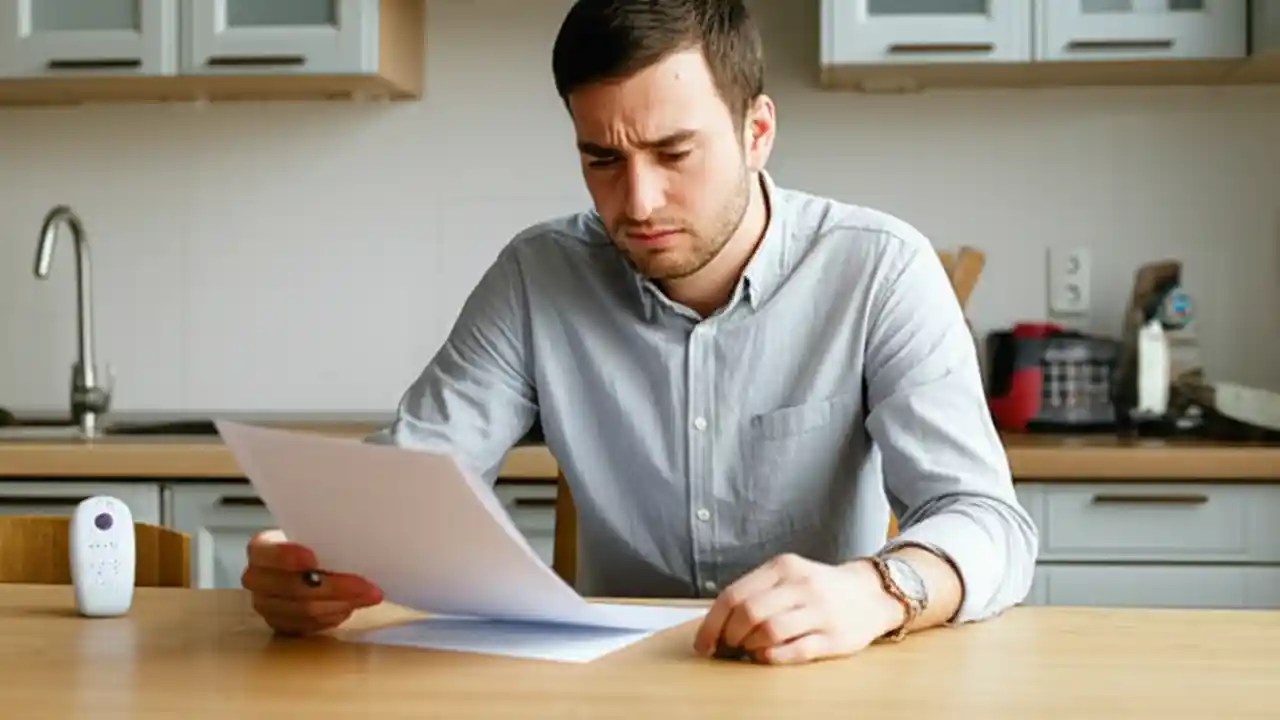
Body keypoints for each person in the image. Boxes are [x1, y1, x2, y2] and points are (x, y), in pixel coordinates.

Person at [241, 0, 1039, 665]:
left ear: (757, 131)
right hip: (614, 684)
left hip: (819, 683)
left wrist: (874, 592)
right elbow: (406, 483)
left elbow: (988, 520)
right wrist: (317, 562)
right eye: (601, 159)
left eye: (673, 152)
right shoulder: (537, 276)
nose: (639, 201)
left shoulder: (880, 270)